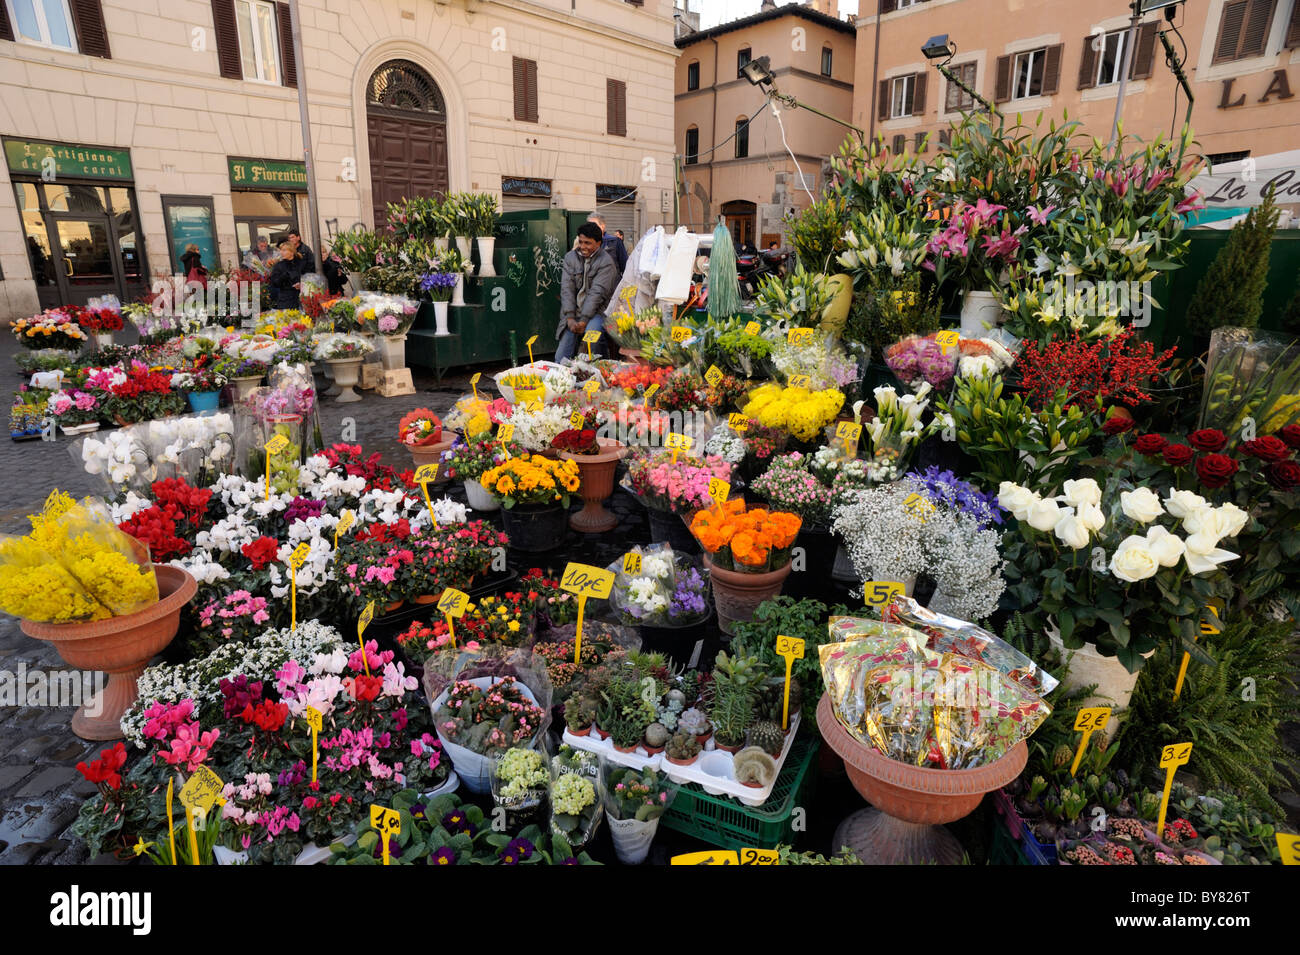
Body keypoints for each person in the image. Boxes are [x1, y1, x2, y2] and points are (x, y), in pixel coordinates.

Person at [556, 221, 617, 363]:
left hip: (598, 312)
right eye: (581, 242)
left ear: (599, 243)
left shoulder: (606, 262)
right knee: (561, 358)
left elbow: (597, 293)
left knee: (590, 340)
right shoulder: (570, 258)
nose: (583, 247)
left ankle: (595, 371)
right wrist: (570, 318)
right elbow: (567, 289)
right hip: (573, 312)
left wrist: (583, 320)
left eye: (588, 243)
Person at [268, 241, 304, 308]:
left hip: (302, 298)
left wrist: (301, 284)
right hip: (285, 300)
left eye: (284, 250)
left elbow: (309, 277)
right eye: (281, 250)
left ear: (292, 252)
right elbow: (274, 283)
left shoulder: (301, 263)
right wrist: (285, 275)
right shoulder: (279, 266)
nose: (281, 252)